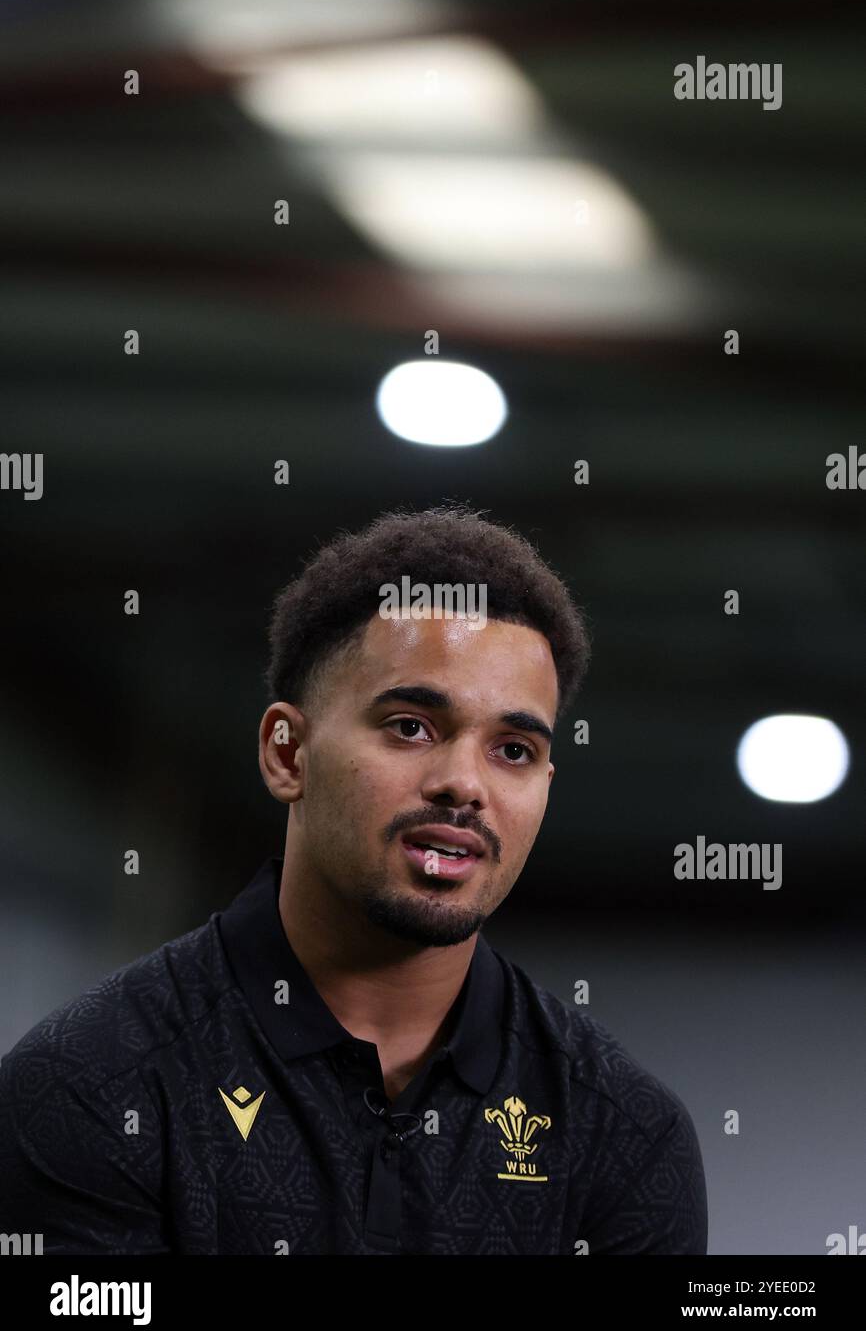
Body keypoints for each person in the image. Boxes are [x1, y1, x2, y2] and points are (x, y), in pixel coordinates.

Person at [0, 502, 707, 1254]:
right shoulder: (90, 1084)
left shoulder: (622, 1133)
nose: (464, 785)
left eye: (513, 750)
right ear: (287, 754)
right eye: (411, 726)